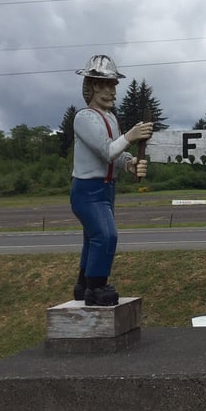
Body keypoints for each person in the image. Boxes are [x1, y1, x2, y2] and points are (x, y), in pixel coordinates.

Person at [70, 55, 153, 306]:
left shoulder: (111, 118)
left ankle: (83, 284)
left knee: (92, 238)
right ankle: (96, 288)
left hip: (107, 190)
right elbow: (106, 150)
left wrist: (128, 164)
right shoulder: (84, 118)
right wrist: (131, 135)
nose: (111, 91)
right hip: (88, 190)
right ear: (93, 86)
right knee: (106, 236)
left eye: (113, 85)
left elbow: (115, 156)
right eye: (105, 85)